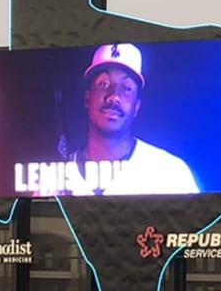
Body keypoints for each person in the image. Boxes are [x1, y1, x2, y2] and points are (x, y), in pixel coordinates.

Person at [59, 44, 202, 196]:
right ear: (87, 98)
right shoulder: (53, 176)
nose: (114, 96)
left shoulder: (171, 172)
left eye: (126, 88)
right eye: (104, 84)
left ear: (136, 107)